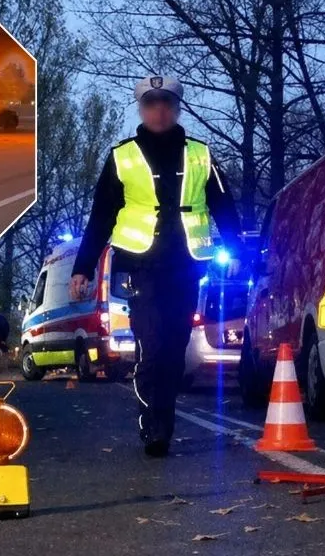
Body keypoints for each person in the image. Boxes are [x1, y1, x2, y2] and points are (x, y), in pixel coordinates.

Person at [69, 75, 242, 457]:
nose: (159, 110)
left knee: (175, 348)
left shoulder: (200, 155)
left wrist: (235, 251)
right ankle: (154, 428)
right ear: (141, 109)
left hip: (186, 265)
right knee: (152, 345)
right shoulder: (122, 157)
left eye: (166, 103)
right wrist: (82, 268)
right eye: (151, 103)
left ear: (177, 107)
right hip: (141, 266)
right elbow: (100, 217)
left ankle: (164, 417)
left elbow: (224, 206)